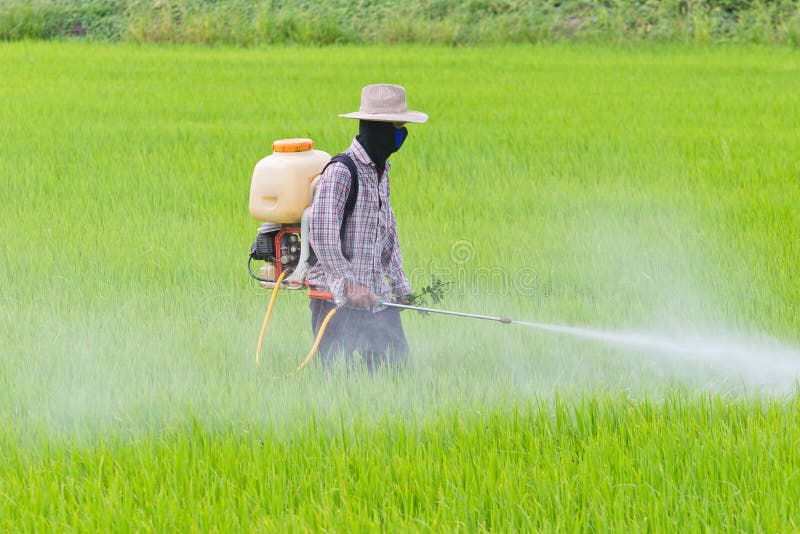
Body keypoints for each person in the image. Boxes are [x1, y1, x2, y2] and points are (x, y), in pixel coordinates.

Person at [305, 84, 428, 369]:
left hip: (375, 298)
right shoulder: (341, 172)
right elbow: (322, 235)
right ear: (376, 128)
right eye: (396, 126)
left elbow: (387, 235)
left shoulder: (379, 172)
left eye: (403, 126)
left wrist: (400, 286)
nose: (401, 134)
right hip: (336, 300)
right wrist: (349, 283)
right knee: (339, 380)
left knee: (396, 373)